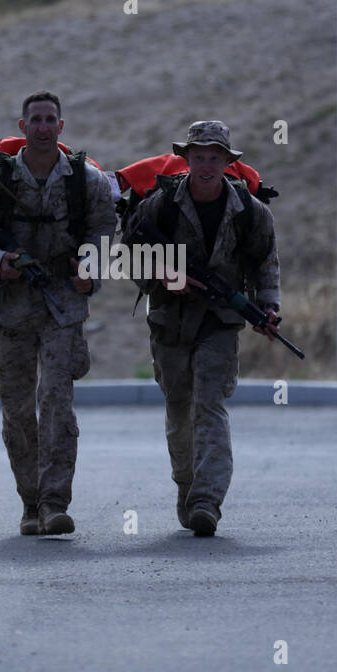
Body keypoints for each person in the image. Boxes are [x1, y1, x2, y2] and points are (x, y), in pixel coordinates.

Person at [0, 91, 115, 536]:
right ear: (22, 127)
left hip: (63, 305)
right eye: (35, 120)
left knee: (57, 403)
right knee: (17, 409)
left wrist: (90, 270)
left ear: (61, 126)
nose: (43, 127)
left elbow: (104, 230)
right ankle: (30, 502)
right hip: (11, 309)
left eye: (50, 119)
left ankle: (55, 503)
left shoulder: (86, 181)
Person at [128, 121, 280, 537]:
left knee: (209, 403)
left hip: (220, 321)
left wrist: (268, 307)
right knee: (179, 408)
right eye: (199, 157)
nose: (207, 166)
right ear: (187, 159)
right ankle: (187, 485)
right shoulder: (161, 205)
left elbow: (265, 262)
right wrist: (166, 277)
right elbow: (129, 255)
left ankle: (207, 500)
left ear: (228, 162)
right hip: (170, 320)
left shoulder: (249, 210)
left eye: (215, 158)